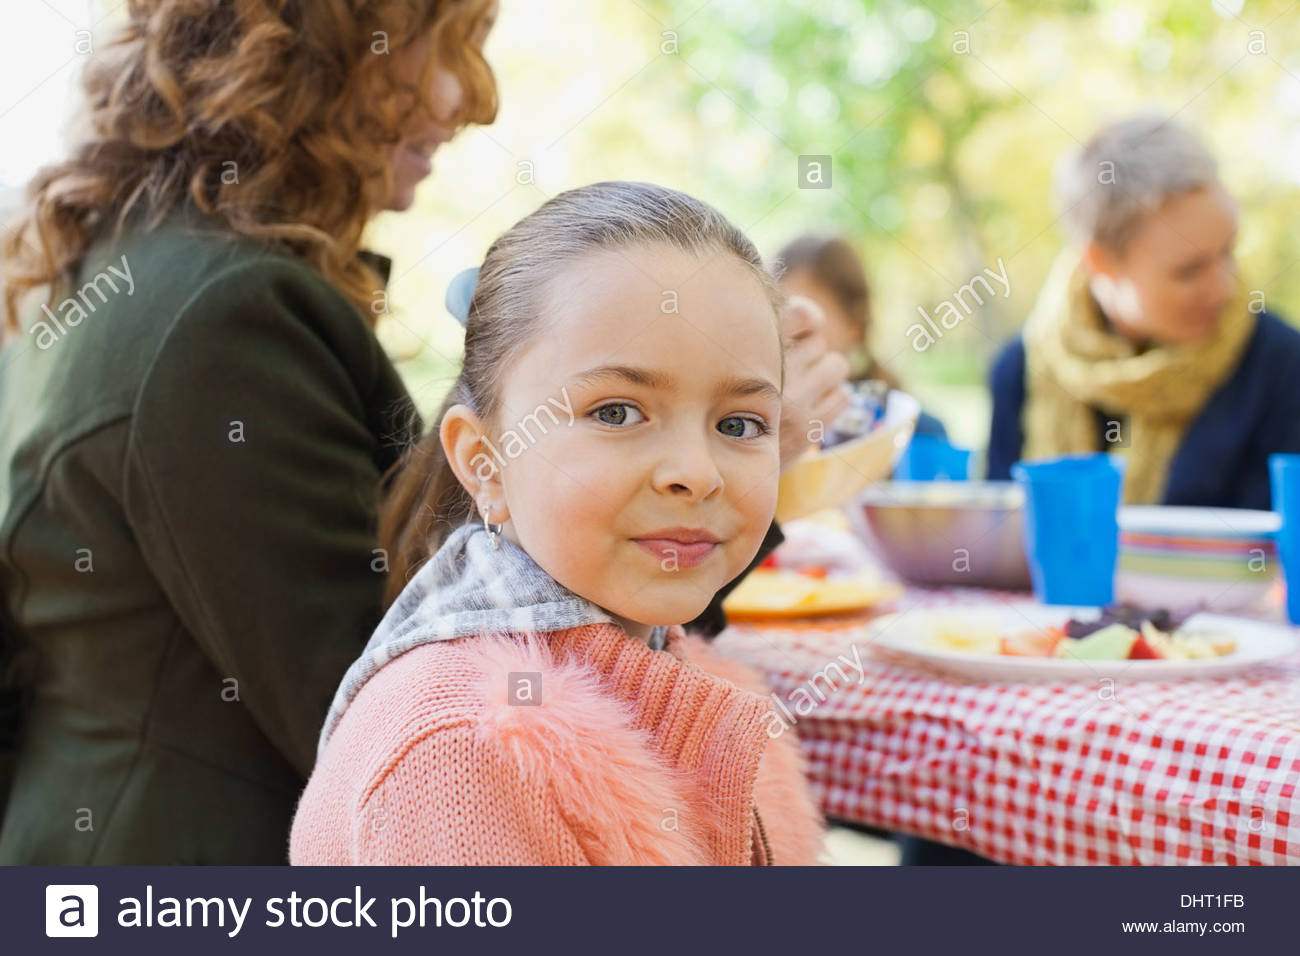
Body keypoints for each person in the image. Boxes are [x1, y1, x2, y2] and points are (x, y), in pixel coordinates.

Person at [0, 2, 849, 864]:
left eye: (739, 420)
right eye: (448, 46)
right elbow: (355, 680)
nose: (475, 101)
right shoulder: (225, 314)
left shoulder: (144, 266)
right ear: (305, 44)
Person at [289, 182, 826, 865]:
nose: (698, 471)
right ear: (484, 462)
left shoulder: (700, 682)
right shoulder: (461, 752)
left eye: (739, 424)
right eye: (616, 412)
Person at [987, 115, 1300, 508]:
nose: (1224, 287)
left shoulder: (1281, 365)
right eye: (1189, 271)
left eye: (1228, 251)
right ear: (1100, 261)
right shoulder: (1021, 372)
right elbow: (1000, 543)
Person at [776, 232, 948, 441]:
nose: (788, 332)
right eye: (776, 314)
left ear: (854, 327)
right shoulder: (759, 426)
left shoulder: (915, 432)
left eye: (807, 314)